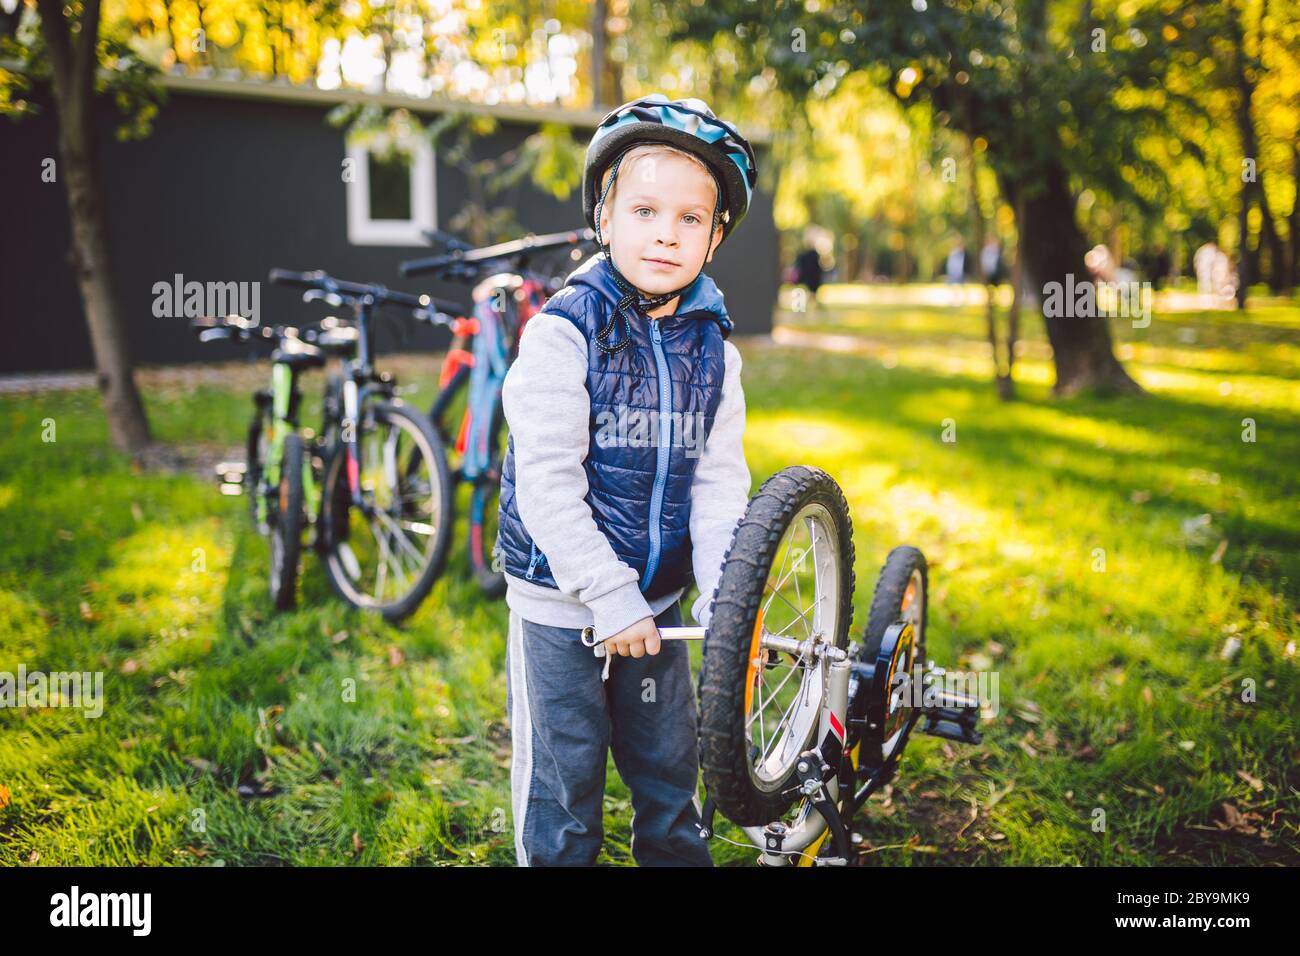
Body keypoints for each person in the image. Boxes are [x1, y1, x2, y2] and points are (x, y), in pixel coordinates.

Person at [496, 94, 757, 866]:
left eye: (689, 219)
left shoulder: (716, 351)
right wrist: (607, 596)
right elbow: (545, 482)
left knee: (670, 775)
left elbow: (717, 488)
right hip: (560, 605)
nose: (665, 234)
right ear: (605, 219)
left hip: (661, 603)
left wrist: (726, 597)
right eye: (644, 210)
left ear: (714, 238)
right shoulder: (562, 334)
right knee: (565, 788)